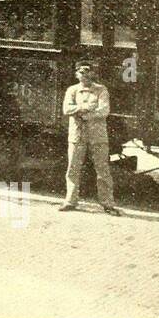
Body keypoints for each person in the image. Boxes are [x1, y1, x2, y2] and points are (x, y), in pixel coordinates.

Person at [59, 60, 121, 216]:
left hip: (98, 136)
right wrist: (86, 108)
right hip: (77, 136)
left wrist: (81, 114)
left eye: (87, 72)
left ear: (93, 73)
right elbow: (67, 109)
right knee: (72, 169)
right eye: (81, 72)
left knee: (102, 170)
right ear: (76, 74)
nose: (84, 75)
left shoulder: (101, 90)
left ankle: (108, 203)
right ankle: (70, 201)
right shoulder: (72, 90)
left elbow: (104, 111)